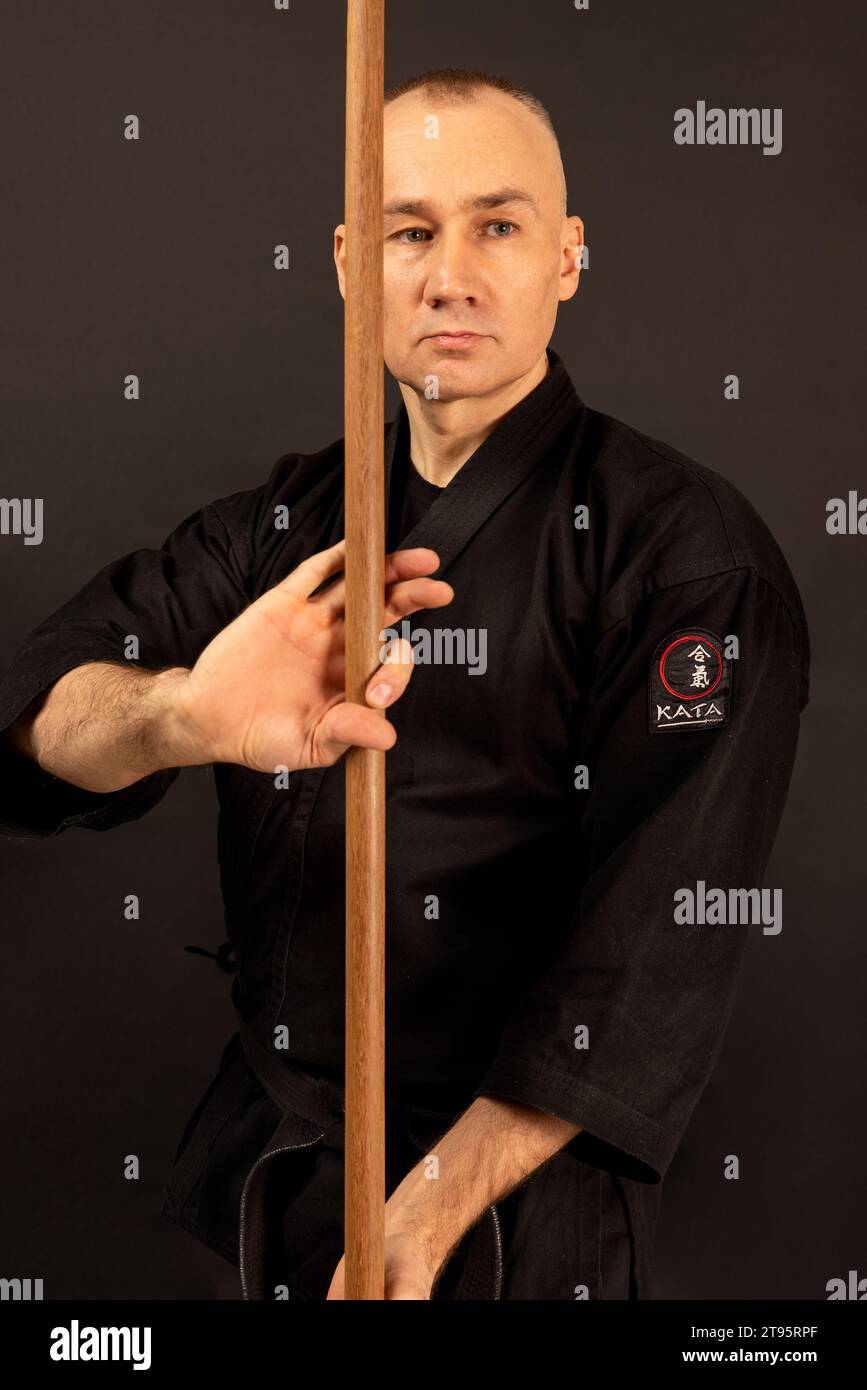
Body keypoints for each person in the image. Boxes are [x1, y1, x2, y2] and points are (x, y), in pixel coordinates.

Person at [0, 68, 810, 1301]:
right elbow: (37, 707)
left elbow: (656, 948)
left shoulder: (684, 557)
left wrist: (422, 1218)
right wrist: (182, 717)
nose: (450, 275)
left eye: (498, 225)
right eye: (408, 230)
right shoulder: (282, 530)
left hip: (503, 1222)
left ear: (568, 258)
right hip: (280, 1172)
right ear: (345, 262)